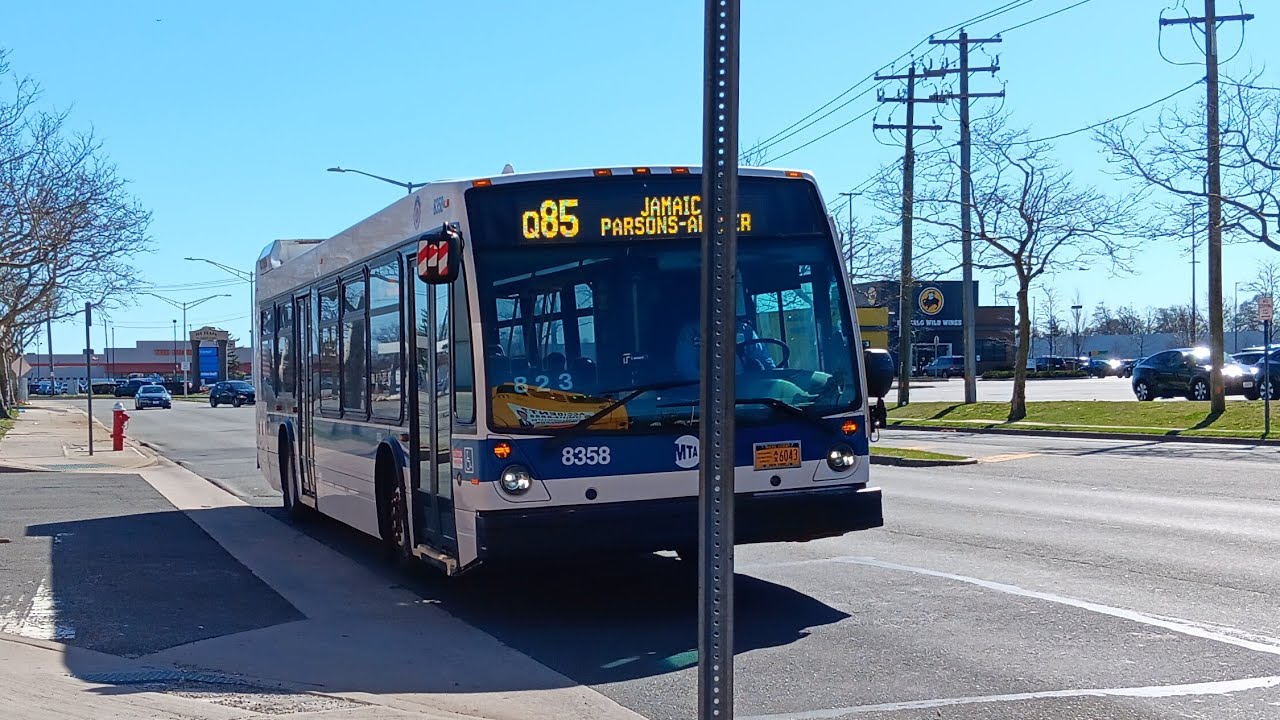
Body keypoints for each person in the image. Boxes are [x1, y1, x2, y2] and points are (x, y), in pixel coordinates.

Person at [674, 316, 777, 380]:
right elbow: (688, 372)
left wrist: (774, 380)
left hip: (745, 394)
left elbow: (765, 362)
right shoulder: (691, 332)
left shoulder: (743, 329)